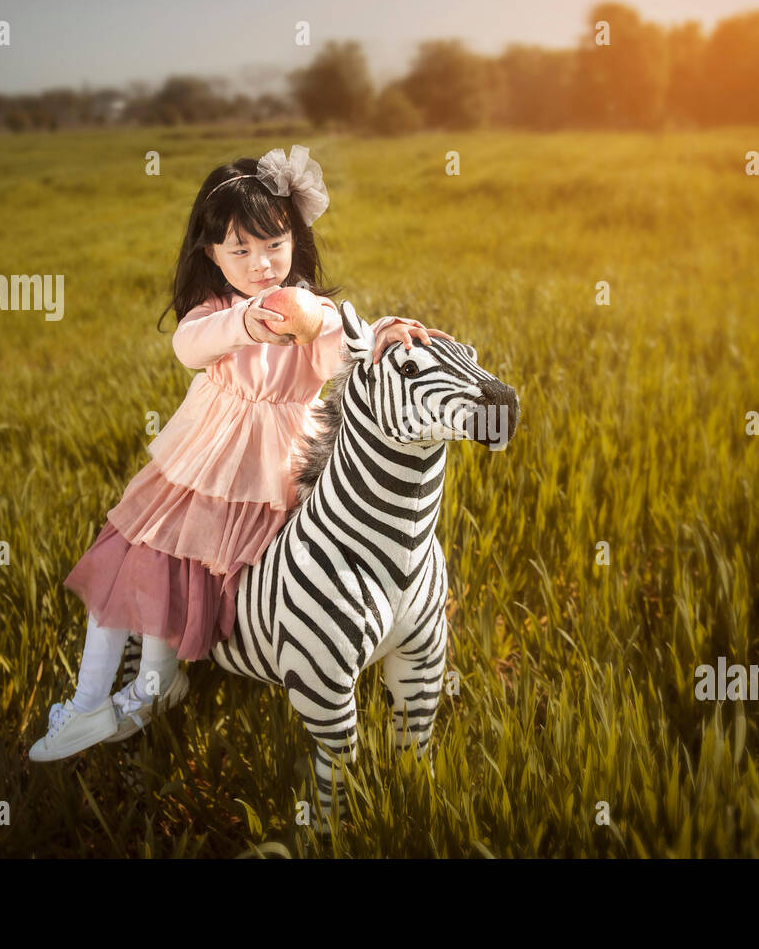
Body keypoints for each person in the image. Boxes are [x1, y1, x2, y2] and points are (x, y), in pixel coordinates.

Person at [29, 145, 451, 762]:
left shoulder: (311, 311)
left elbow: (347, 339)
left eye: (274, 245)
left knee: (228, 568)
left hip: (278, 467)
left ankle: (173, 676)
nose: (261, 265)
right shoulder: (222, 313)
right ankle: (101, 697)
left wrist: (386, 331)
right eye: (241, 250)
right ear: (211, 254)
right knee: (150, 552)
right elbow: (189, 345)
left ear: (296, 240)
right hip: (205, 463)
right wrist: (250, 323)